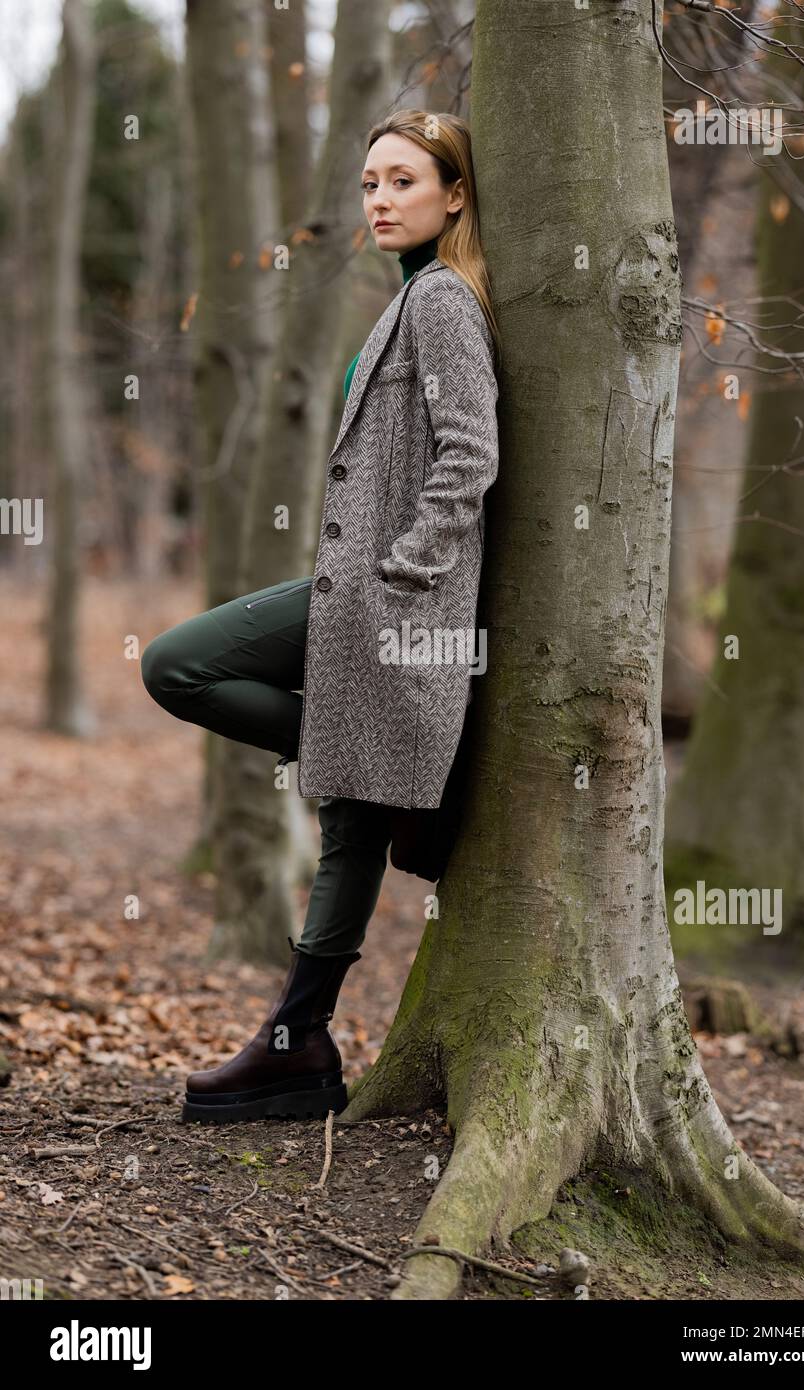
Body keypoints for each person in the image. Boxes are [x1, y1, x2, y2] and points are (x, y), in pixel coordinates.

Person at [141, 109, 500, 1124]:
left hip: (384, 604)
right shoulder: (408, 300)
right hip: (360, 609)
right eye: (368, 185)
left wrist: (402, 571)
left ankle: (294, 1046)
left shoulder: (440, 303)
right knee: (187, 676)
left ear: (455, 194)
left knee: (183, 669)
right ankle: (387, 783)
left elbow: (469, 457)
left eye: (402, 182)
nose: (380, 201)